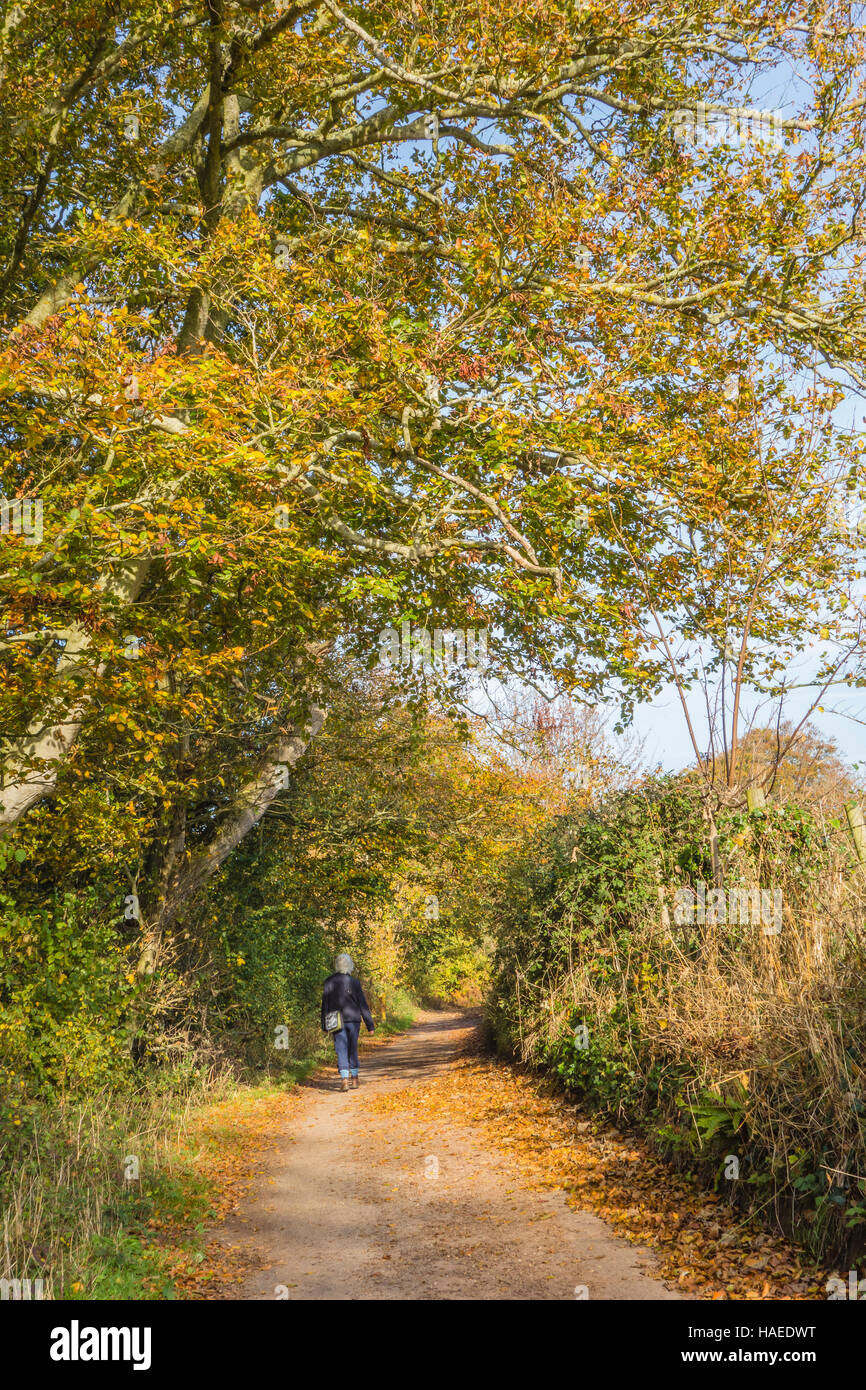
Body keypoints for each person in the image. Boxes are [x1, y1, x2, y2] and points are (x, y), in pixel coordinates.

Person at [321, 953, 375, 1091]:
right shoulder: (354, 982)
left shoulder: (329, 982)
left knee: (341, 1049)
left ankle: (344, 1080)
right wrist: (370, 1025)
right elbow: (362, 1004)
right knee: (352, 1048)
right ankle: (355, 1079)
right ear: (350, 965)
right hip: (353, 1020)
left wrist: (324, 1024)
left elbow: (325, 1005)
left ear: (336, 965)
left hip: (335, 1021)